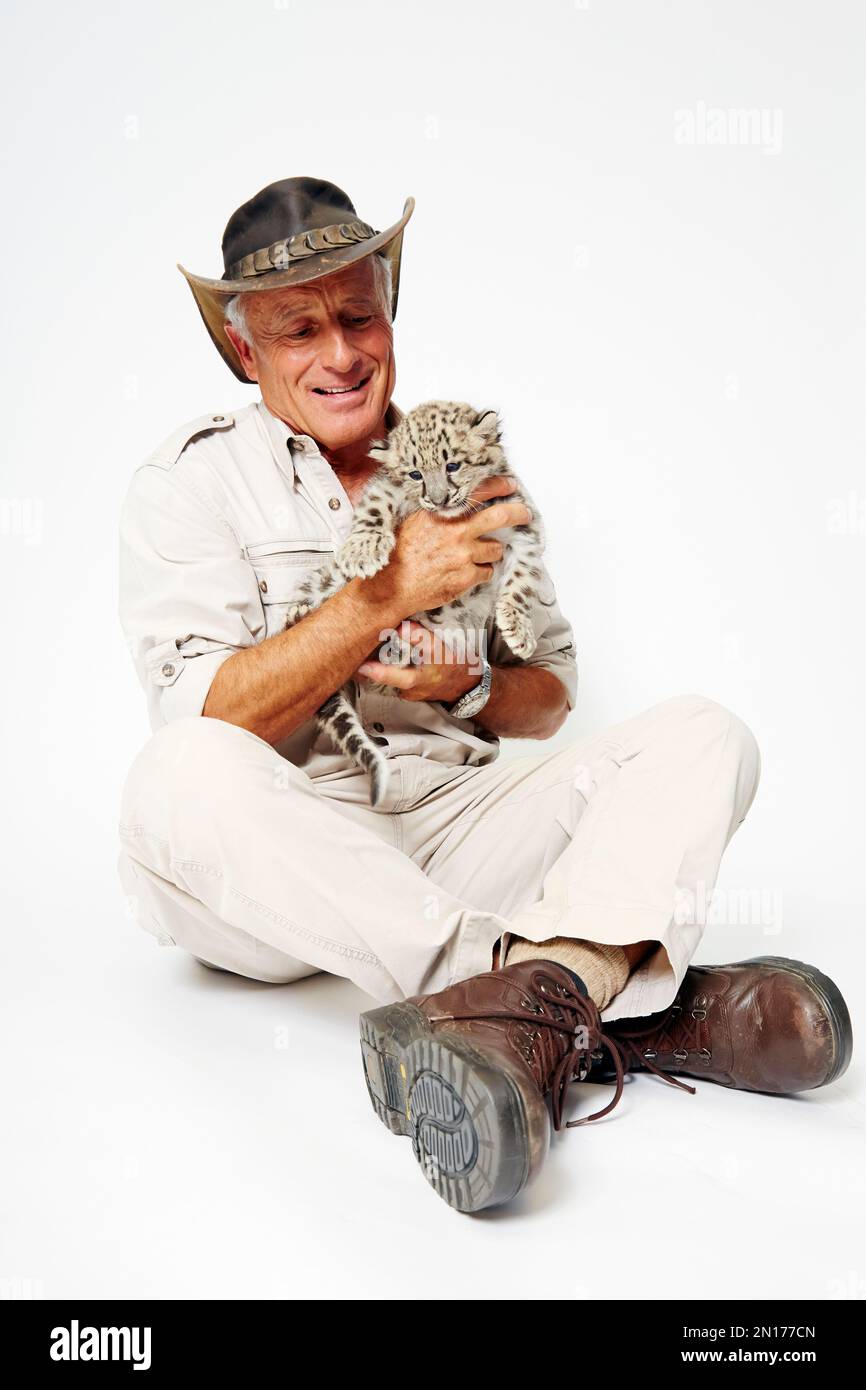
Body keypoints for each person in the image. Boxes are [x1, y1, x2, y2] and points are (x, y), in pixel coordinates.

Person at [118, 177, 852, 1213]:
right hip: (282, 867)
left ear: (388, 312)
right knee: (173, 773)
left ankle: (521, 1010)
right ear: (247, 351)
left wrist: (468, 687)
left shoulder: (459, 466)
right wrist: (382, 597)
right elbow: (213, 716)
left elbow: (550, 695)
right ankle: (605, 1003)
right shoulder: (188, 482)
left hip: (455, 831)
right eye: (298, 330)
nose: (340, 354)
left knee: (706, 735)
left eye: (357, 315)